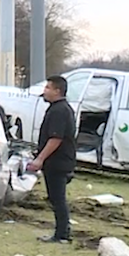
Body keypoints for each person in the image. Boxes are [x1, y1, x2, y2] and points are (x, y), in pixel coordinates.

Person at [25, 75, 76, 242]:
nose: (44, 91)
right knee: (55, 198)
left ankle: (62, 235)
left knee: (57, 198)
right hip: (57, 161)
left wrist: (40, 159)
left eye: (48, 88)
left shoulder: (60, 111)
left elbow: (56, 138)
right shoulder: (58, 108)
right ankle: (61, 232)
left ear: (57, 91)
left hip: (58, 162)